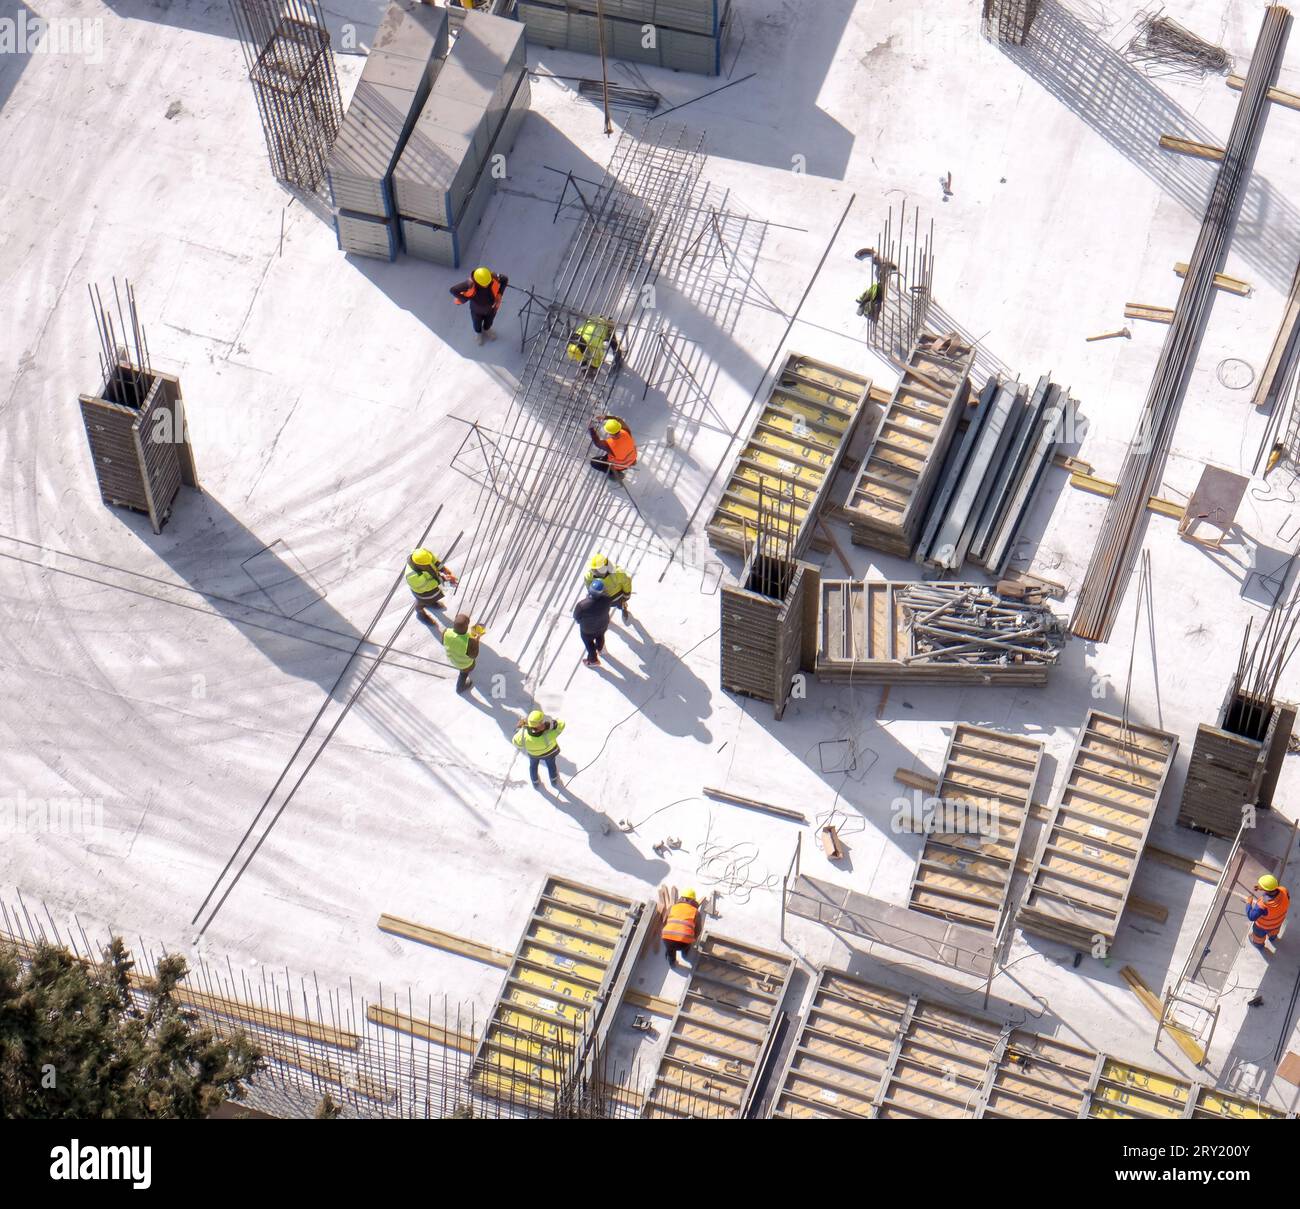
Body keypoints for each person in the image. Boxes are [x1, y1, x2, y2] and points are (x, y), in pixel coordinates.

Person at [450, 266, 508, 344]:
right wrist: (463, 298)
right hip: (476, 310)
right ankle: (478, 333)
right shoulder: (469, 283)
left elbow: (505, 279)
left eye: (488, 283)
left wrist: (500, 294)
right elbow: (453, 290)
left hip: (491, 308)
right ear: (477, 281)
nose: (486, 286)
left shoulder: (492, 276)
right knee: (476, 324)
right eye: (484, 285)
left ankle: (487, 329)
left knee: (489, 322)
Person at [513, 709, 564, 789]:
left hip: (533, 755)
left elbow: (516, 742)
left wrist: (519, 729)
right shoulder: (549, 734)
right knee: (551, 766)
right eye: (543, 721)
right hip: (549, 754)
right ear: (541, 724)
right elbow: (562, 724)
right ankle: (554, 780)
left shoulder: (523, 734)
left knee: (533, 767)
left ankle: (535, 782)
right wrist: (551, 724)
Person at [405, 547, 457, 621]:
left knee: (432, 598)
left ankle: (431, 603)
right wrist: (443, 579)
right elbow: (427, 586)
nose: (429, 565)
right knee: (422, 602)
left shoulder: (424, 554)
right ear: (417, 564)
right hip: (422, 592)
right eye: (425, 565)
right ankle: (420, 612)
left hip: (432, 585)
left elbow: (435, 561)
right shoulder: (412, 575)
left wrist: (444, 570)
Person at [1245, 874, 1289, 953]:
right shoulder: (1284, 891)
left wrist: (1248, 903)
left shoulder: (1263, 905)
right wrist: (1260, 887)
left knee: (1258, 937)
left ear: (1266, 889)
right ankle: (1272, 938)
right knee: (1274, 932)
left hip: (1262, 927)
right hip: (1277, 922)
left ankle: (1259, 945)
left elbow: (1251, 917)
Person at [573, 580, 613, 666]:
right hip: (603, 625)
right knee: (600, 635)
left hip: (588, 630)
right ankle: (600, 648)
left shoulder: (582, 605)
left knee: (589, 643)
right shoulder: (607, 599)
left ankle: (593, 660)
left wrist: (580, 622)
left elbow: (576, 617)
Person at [437, 612, 479, 694]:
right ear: (467, 627)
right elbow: (474, 655)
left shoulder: (446, 631)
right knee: (464, 673)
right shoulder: (470, 641)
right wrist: (476, 641)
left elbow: (442, 642)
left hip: (452, 658)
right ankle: (460, 688)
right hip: (464, 664)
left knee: (462, 667)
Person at [584, 554, 633, 621]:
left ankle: (624, 608)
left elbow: (626, 582)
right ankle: (605, 617)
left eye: (597, 570)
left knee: (621, 605)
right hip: (603, 600)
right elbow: (589, 588)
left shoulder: (618, 573)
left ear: (604, 567)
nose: (594, 572)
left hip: (618, 598)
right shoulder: (588, 577)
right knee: (604, 610)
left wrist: (627, 595)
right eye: (593, 570)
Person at [587, 414, 637, 480]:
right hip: (632, 458)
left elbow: (597, 443)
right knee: (613, 454)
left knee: (594, 462)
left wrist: (591, 428)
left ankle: (616, 475)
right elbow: (619, 419)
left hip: (620, 466)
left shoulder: (609, 445)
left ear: (610, 433)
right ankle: (633, 462)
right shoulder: (626, 431)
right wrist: (605, 417)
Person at [661, 889, 700, 967]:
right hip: (683, 943)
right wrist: (693, 939)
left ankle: (671, 963)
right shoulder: (695, 912)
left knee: (670, 950)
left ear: (682, 898)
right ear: (693, 900)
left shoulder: (672, 907)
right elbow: (698, 929)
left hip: (667, 938)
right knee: (687, 944)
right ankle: (684, 954)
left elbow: (664, 921)